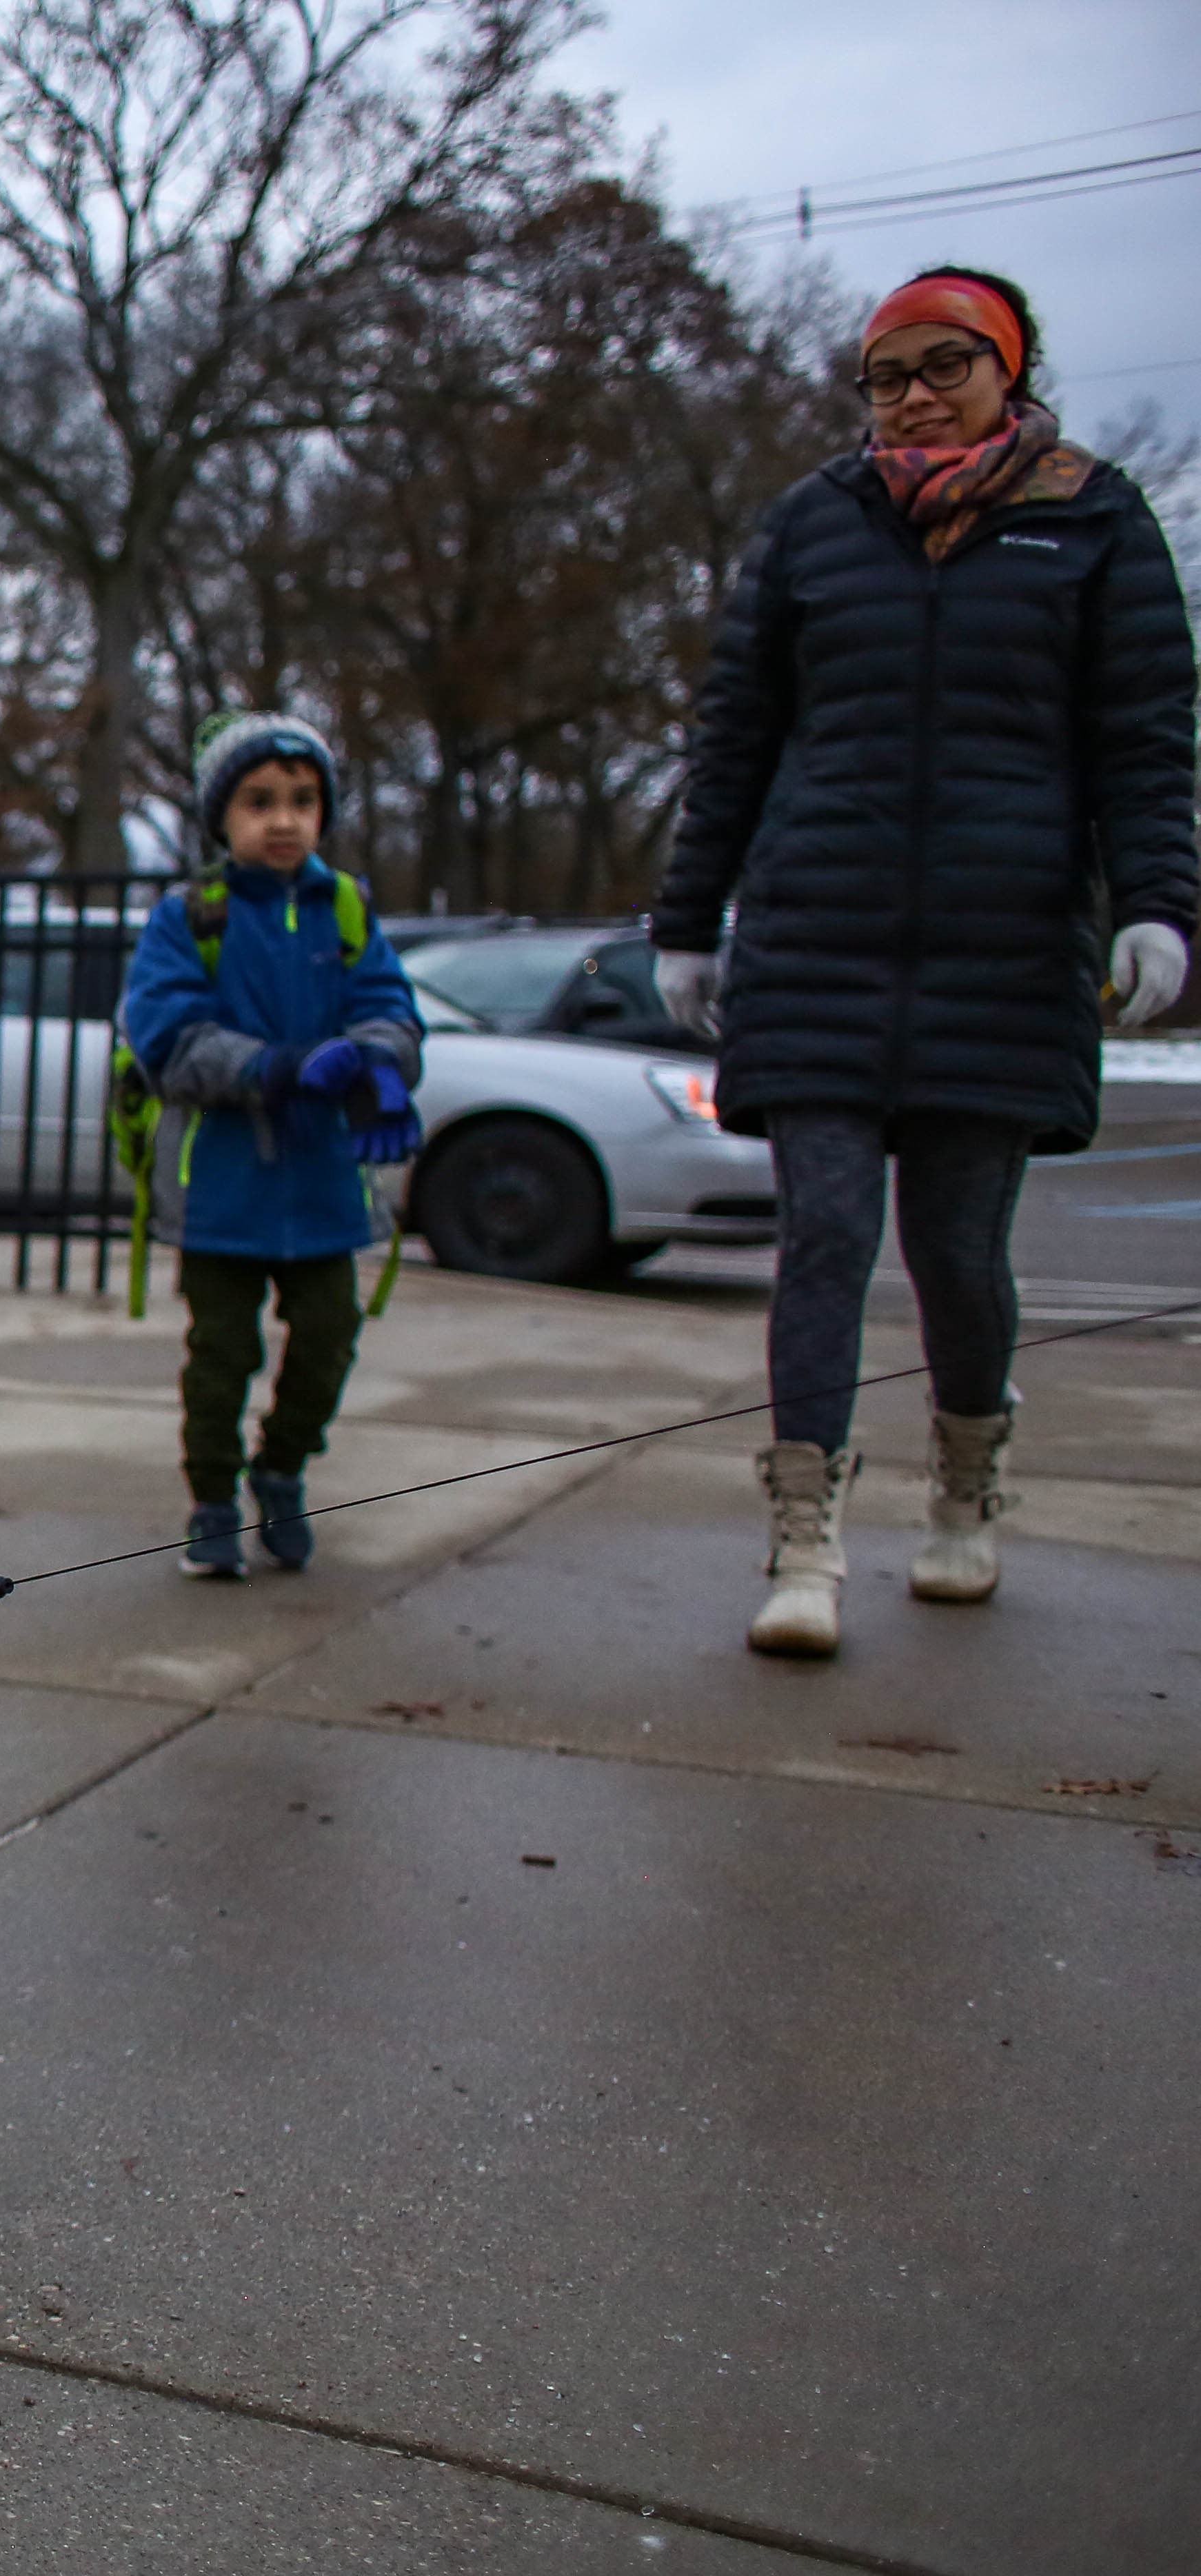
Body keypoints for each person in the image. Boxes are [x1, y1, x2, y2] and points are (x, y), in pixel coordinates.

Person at [652, 265, 1195, 1658]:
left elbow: (1144, 738)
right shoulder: (814, 526)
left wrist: (1157, 903)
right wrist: (687, 918)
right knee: (824, 1239)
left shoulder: (1094, 519)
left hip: (1003, 946)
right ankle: (803, 1536)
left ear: (1009, 366)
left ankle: (965, 1487)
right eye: (887, 373)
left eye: (943, 364)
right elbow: (735, 737)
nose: (911, 396)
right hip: (818, 933)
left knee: (958, 1251)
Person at [114, 714, 423, 1582]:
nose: (283, 820)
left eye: (302, 800)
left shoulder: (346, 907)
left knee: (328, 1337)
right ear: (223, 819)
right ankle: (212, 1500)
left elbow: (391, 1008)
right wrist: (279, 1067)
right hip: (223, 1187)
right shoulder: (189, 919)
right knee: (222, 1354)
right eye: (259, 802)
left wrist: (381, 1066)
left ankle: (282, 1469)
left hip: (325, 1186)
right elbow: (169, 1039)